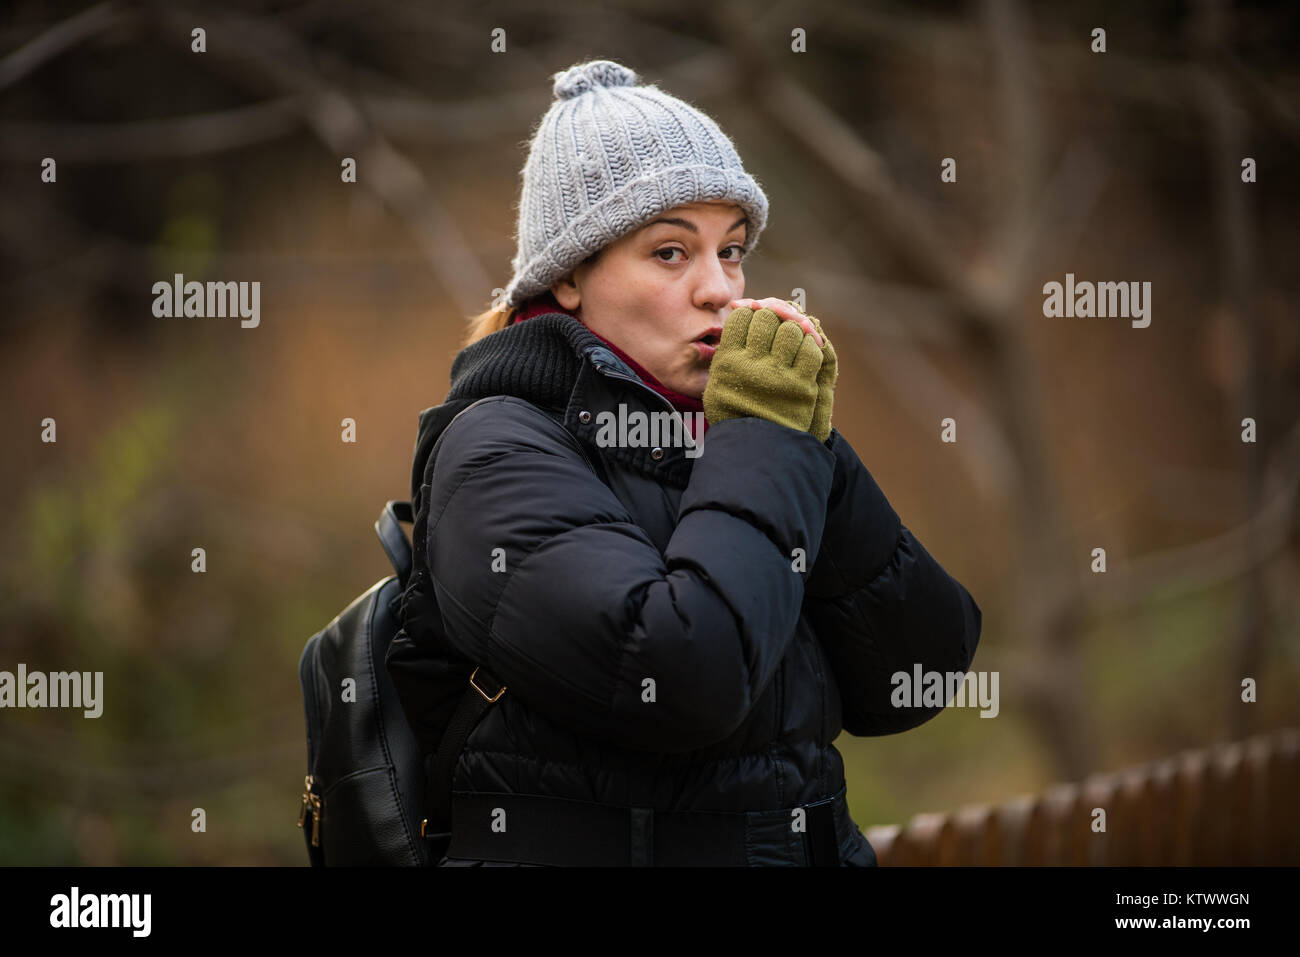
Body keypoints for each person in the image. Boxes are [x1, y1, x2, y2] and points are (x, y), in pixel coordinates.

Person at [388, 59, 982, 866]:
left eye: (731, 251)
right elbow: (680, 677)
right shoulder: (495, 454)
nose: (721, 291)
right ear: (568, 274)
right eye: (671, 253)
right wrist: (769, 440)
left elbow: (917, 674)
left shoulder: (730, 431)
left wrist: (812, 449)